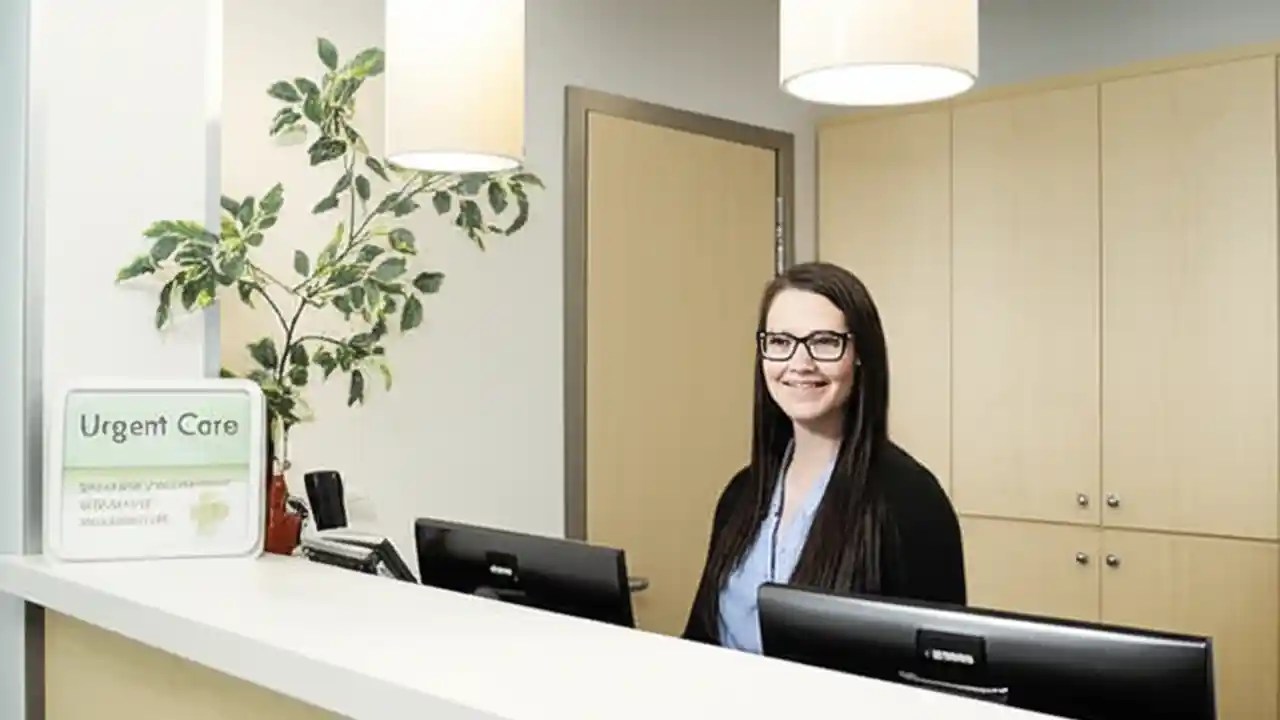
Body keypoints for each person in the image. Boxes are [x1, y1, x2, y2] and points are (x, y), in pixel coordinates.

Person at [682, 261, 965, 652]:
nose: (800, 364)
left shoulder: (910, 501)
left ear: (860, 355)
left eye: (825, 342)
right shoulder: (741, 494)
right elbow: (701, 640)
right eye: (780, 342)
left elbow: (937, 674)